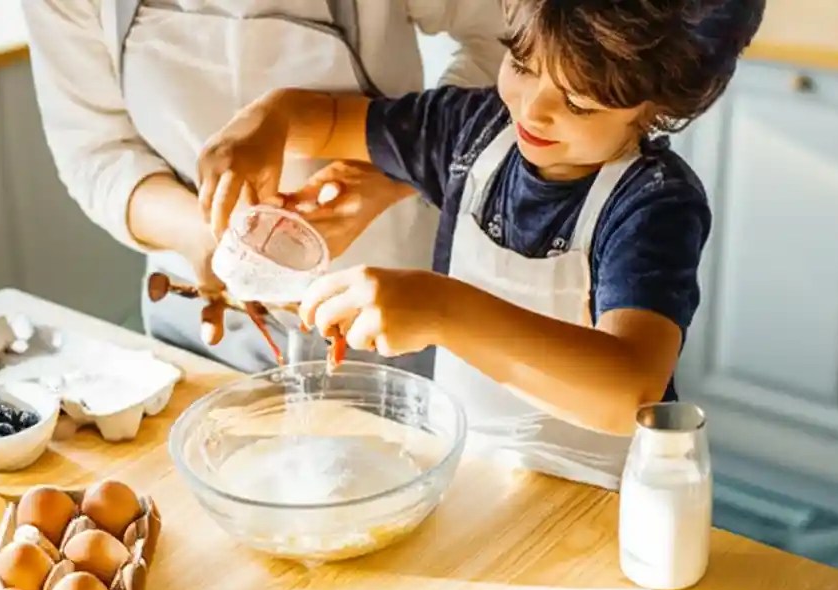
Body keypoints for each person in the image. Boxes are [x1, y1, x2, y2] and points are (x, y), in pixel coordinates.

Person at [197, 0, 766, 487]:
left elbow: (629, 391)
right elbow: (324, 121)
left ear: (657, 106)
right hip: (466, 472)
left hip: (599, 505)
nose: (532, 107)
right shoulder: (470, 130)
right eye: (522, 63)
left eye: (579, 102)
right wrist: (268, 120)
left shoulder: (654, 204)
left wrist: (442, 310)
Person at [20, 0, 507, 374]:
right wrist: (205, 238)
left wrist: (391, 171)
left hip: (386, 306)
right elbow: (96, 149)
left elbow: (506, 41)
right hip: (198, 320)